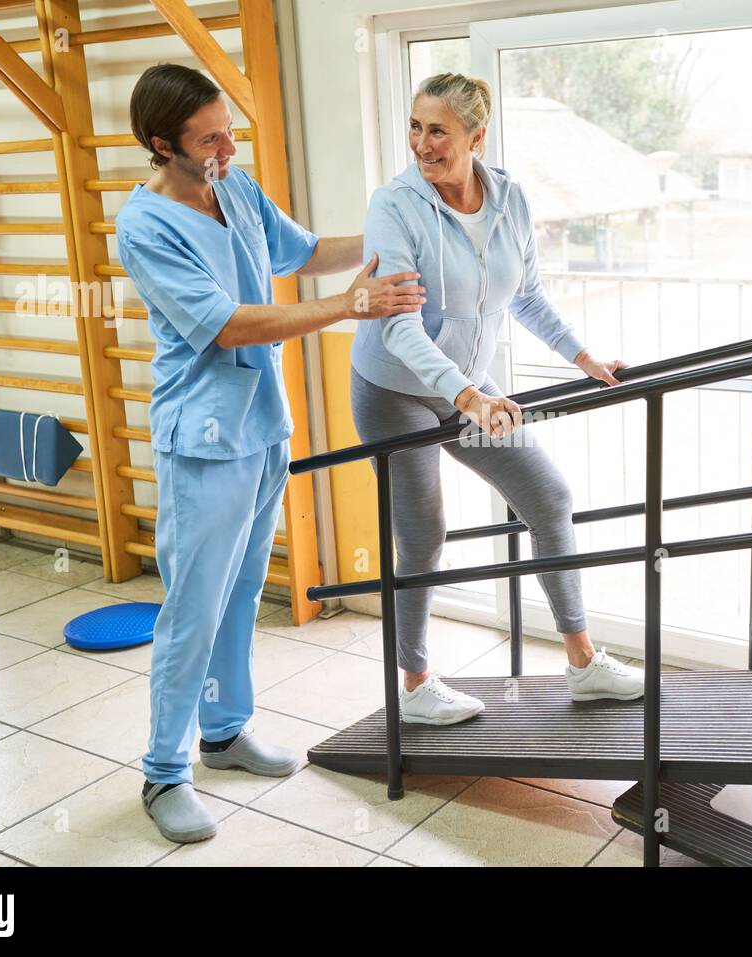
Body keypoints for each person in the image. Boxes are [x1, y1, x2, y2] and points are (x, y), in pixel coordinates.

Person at [116, 64, 424, 843]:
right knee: (193, 607)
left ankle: (223, 732)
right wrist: (349, 306)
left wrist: (397, 236)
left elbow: (307, 250)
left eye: (229, 128)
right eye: (209, 136)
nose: (227, 144)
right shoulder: (145, 225)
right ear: (163, 145)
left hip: (263, 426)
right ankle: (163, 772)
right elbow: (227, 324)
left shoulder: (237, 184)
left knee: (246, 590)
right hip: (205, 439)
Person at [352, 72, 645, 726]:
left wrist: (582, 355)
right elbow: (396, 325)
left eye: (438, 131)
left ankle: (583, 662)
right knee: (423, 536)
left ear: (476, 136)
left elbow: (528, 294)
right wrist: (468, 396)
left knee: (547, 495)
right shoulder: (393, 206)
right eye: (416, 126)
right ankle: (418, 681)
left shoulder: (509, 199)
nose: (422, 144)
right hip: (396, 389)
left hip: (465, 387)